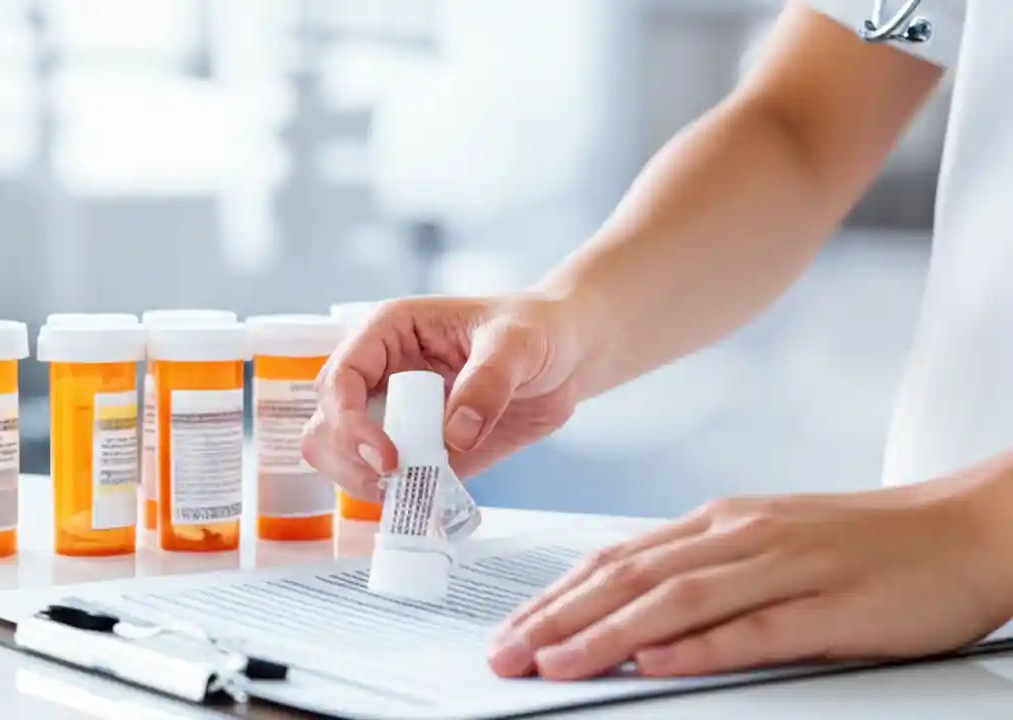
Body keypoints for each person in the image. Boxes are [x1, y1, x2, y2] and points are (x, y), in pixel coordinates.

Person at [300, 0, 1013, 681]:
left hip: (950, 563)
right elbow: (801, 125)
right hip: (924, 608)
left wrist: (987, 532)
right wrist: (566, 319)